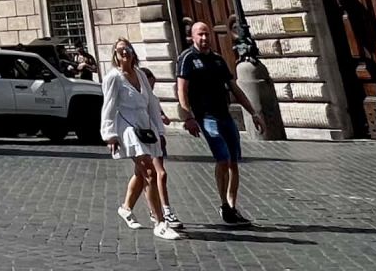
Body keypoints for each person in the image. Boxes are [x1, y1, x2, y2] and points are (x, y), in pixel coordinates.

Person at [177, 21, 265, 227]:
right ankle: (224, 204)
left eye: (207, 34)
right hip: (206, 117)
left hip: (225, 115)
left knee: (234, 162)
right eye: (200, 34)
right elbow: (182, 89)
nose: (204, 38)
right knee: (223, 158)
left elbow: (234, 87)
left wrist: (253, 113)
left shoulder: (217, 59)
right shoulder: (187, 58)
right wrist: (188, 117)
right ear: (192, 37)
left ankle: (232, 207)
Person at [102, 39, 179, 240]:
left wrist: (159, 131)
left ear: (132, 52)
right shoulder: (113, 78)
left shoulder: (141, 75)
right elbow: (108, 106)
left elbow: (152, 103)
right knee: (149, 172)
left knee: (141, 172)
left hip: (145, 126)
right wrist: (110, 134)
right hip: (127, 128)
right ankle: (159, 222)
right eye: (120, 50)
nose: (124, 52)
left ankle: (126, 208)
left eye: (127, 48)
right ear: (115, 54)